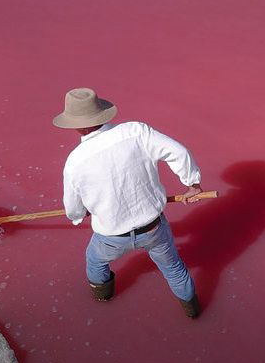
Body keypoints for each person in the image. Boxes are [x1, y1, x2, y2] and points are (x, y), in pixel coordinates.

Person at [54, 87, 206, 318]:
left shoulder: (75, 161)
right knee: (174, 269)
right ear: (102, 113)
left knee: (95, 261)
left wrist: (79, 214)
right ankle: (194, 312)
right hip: (153, 228)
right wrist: (192, 183)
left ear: (77, 126)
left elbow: (72, 209)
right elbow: (178, 152)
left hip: (112, 237)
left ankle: (103, 297)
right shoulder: (137, 131)